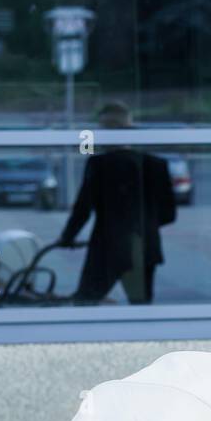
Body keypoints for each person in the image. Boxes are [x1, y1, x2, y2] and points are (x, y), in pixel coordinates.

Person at [59, 101, 176, 303]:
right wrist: (143, 226)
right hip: (144, 247)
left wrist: (67, 238)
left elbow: (82, 209)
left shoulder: (99, 165)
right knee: (141, 308)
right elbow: (168, 214)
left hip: (107, 247)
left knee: (85, 302)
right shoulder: (156, 165)